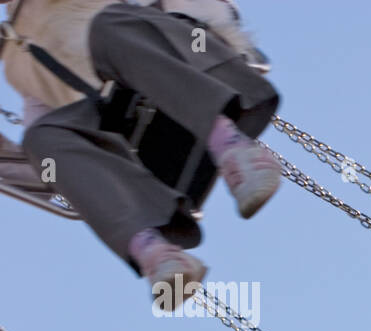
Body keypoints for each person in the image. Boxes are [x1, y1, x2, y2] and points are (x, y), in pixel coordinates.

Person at [1, 1, 280, 299]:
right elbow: (49, 161)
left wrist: (219, 38)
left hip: (180, 66)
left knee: (109, 25)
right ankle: (154, 251)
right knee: (41, 136)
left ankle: (232, 148)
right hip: (129, 138)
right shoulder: (15, 61)